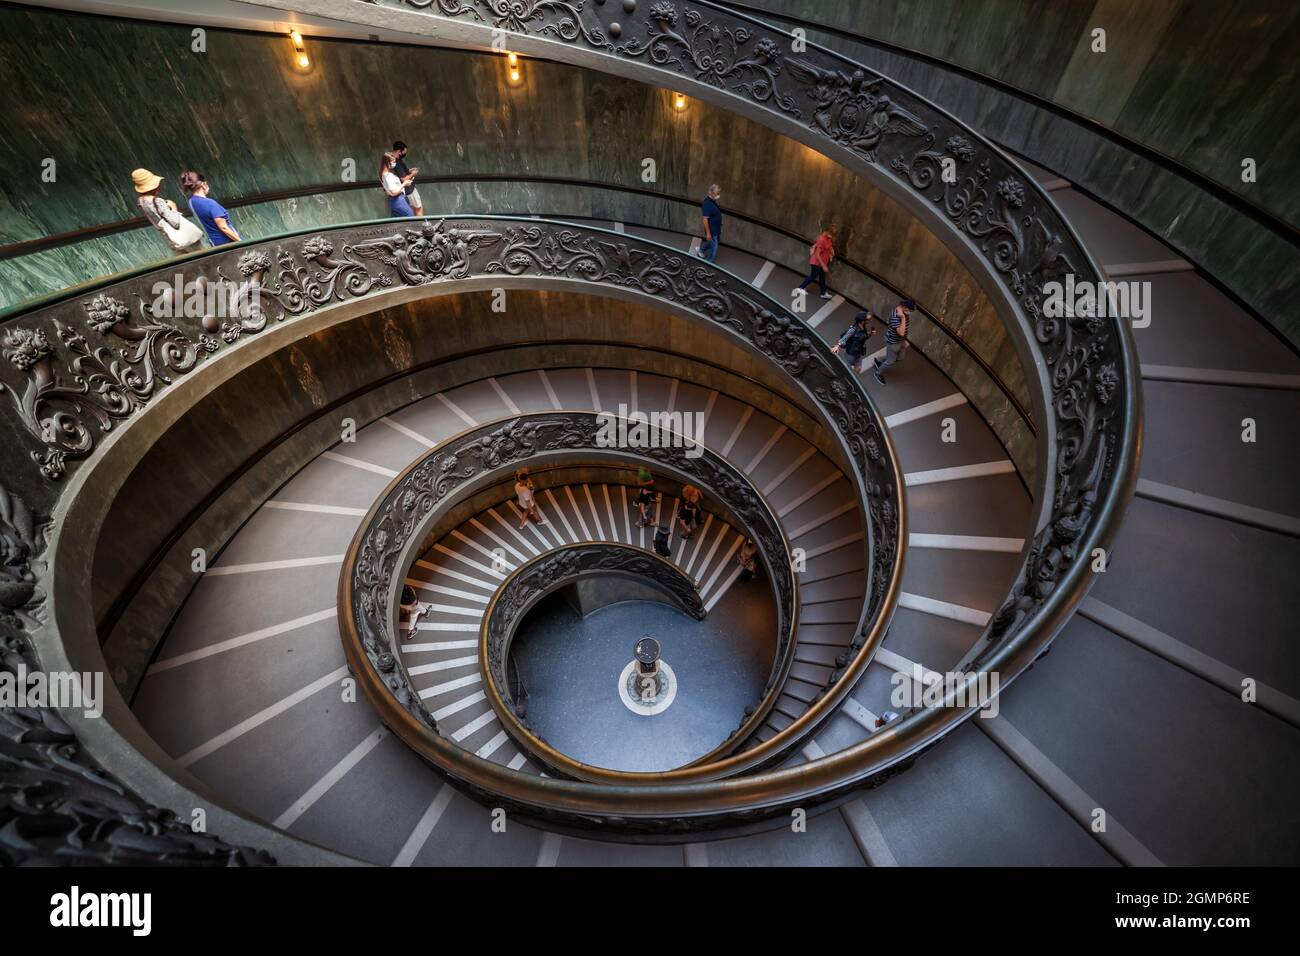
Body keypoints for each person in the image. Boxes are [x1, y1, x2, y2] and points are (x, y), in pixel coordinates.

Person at [132, 168, 203, 255]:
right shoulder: (157, 201)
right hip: (185, 239)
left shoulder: (141, 201)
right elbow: (175, 222)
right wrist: (173, 207)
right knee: (205, 258)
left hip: (172, 241)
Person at [179, 171, 240, 246]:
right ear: (203, 184)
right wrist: (240, 241)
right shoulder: (210, 203)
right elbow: (224, 227)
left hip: (214, 243)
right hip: (229, 243)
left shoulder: (192, 202)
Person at [873, 299, 915, 386]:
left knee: (900, 357)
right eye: (910, 310)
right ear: (905, 307)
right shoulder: (896, 316)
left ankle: (879, 360)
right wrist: (903, 317)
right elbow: (901, 332)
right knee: (890, 361)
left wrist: (904, 340)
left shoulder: (903, 312)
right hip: (893, 343)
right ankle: (878, 373)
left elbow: (904, 331)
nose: (910, 313)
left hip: (901, 341)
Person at [795, 225, 836, 300]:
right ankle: (801, 287)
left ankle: (823, 293)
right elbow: (817, 254)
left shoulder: (828, 238)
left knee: (822, 277)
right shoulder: (821, 239)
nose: (832, 236)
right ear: (826, 231)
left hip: (823, 262)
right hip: (816, 262)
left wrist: (831, 252)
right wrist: (823, 266)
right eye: (831, 234)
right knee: (813, 275)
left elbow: (829, 247)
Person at [391, 140, 424, 217]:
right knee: (419, 208)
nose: (404, 154)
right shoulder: (396, 162)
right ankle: (422, 223)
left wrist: (409, 171)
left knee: (412, 210)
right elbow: (403, 179)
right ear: (399, 151)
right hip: (409, 190)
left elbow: (400, 174)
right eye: (404, 152)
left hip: (405, 191)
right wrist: (413, 174)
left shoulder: (394, 160)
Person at [380, 151, 418, 217]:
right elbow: (394, 192)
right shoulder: (387, 176)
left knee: (396, 221)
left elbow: (389, 188)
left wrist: (408, 172)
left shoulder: (384, 173)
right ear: (387, 162)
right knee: (410, 217)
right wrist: (404, 184)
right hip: (398, 200)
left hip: (395, 200)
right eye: (393, 161)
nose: (394, 163)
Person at [698, 184, 722, 262]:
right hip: (712, 230)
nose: (718, 195)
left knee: (712, 242)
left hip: (716, 229)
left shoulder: (713, 201)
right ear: (712, 193)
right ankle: (709, 262)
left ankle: (701, 249)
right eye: (717, 193)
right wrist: (708, 234)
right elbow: (705, 220)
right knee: (714, 248)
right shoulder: (706, 204)